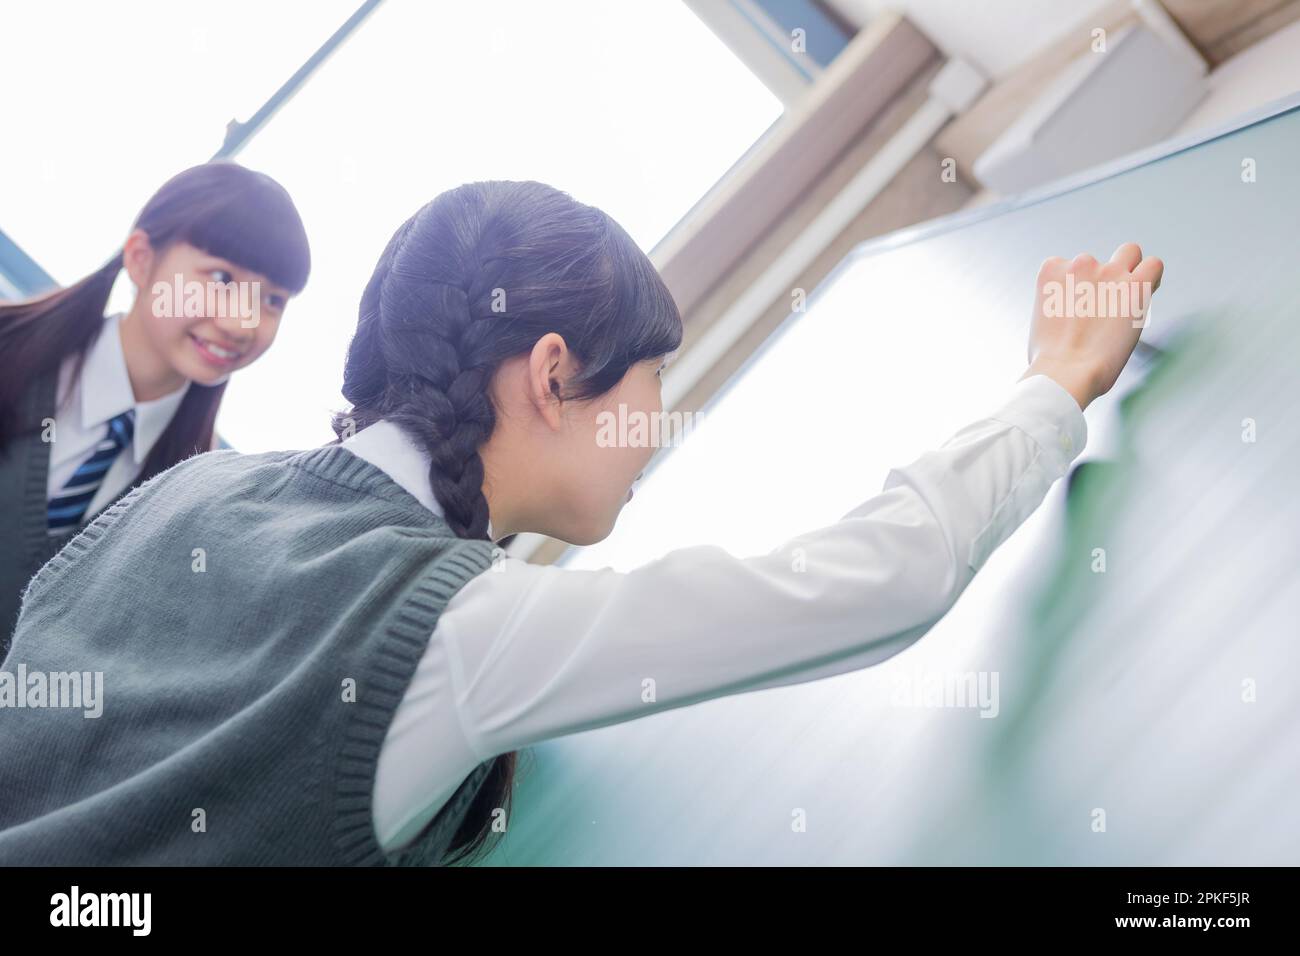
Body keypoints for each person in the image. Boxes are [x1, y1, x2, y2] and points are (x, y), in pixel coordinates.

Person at [0, 179, 1161, 865]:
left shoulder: (184, 492)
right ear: (553, 373)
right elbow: (883, 578)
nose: (654, 430)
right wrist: (1053, 385)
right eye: (654, 380)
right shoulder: (462, 631)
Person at [0, 161, 310, 653]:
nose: (243, 324)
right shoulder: (7, 345)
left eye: (273, 299)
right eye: (223, 279)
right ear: (142, 260)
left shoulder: (195, 500)